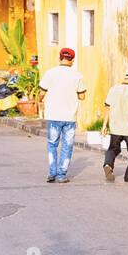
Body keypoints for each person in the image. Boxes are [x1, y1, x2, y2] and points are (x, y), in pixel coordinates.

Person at [37, 48, 86, 183]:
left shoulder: (50, 73)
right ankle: (61, 175)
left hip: (53, 115)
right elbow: (82, 96)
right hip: (69, 117)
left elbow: (42, 92)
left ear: (59, 58)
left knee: (52, 144)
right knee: (67, 145)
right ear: (73, 60)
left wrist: (39, 100)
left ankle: (52, 172)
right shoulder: (77, 76)